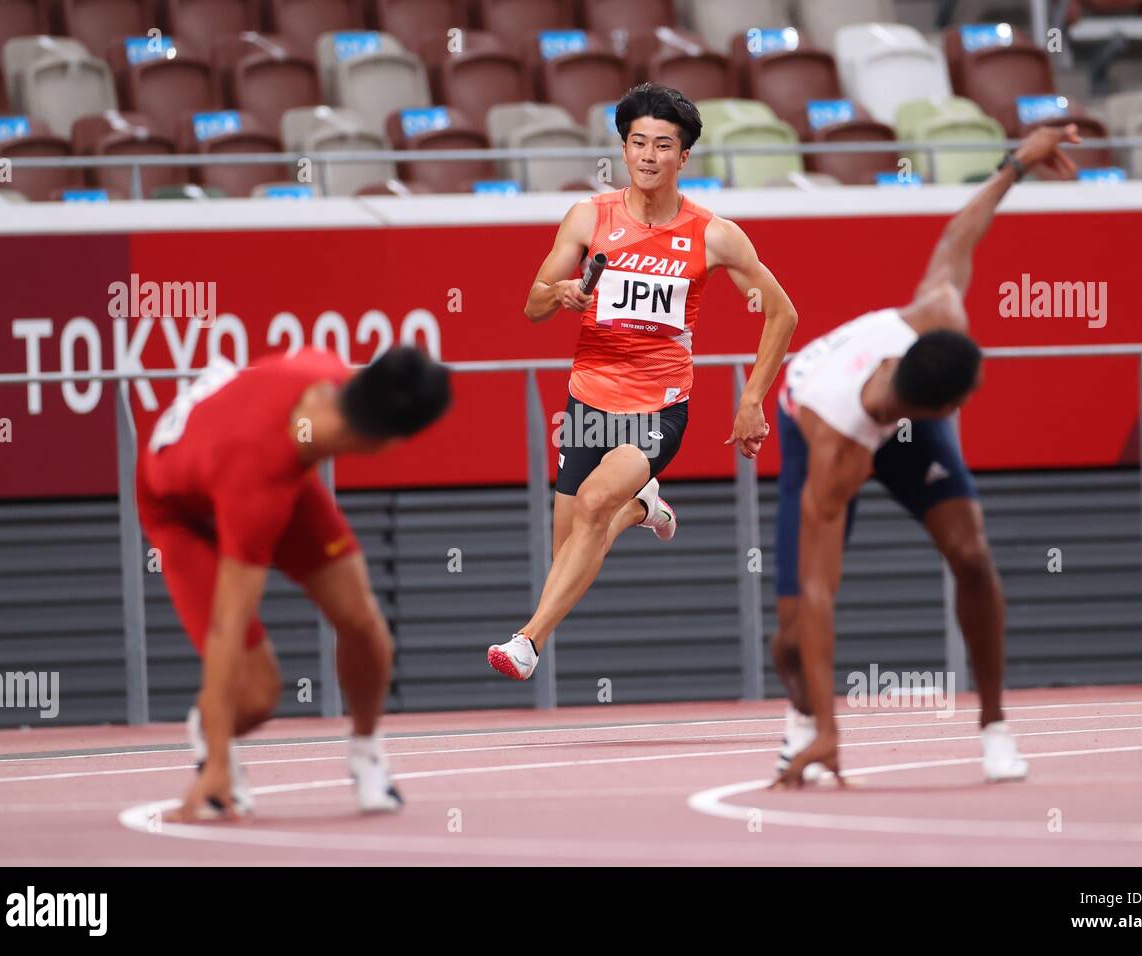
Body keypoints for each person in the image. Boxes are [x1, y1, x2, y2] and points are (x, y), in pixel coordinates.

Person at [773, 125, 1083, 788]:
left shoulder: (938, 315)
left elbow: (958, 236)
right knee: (793, 628)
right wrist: (833, 726)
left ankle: (995, 726)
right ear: (940, 411)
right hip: (818, 419)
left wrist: (1014, 165)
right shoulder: (836, 447)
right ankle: (805, 721)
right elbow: (822, 590)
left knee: (971, 554)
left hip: (892, 402)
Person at [487, 83, 799, 680]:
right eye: (637, 143)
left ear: (684, 158)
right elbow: (531, 306)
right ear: (623, 149)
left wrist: (752, 400)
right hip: (586, 400)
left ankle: (526, 642)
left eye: (663, 145)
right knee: (573, 549)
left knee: (597, 504)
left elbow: (782, 313)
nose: (648, 156)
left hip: (658, 407)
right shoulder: (588, 218)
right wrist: (563, 294)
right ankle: (645, 506)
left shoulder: (713, 235)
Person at [137, 346, 451, 819]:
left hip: (259, 466)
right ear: (383, 444)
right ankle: (210, 733)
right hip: (180, 510)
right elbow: (227, 625)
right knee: (258, 695)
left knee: (361, 620)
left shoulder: (324, 370)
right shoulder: (255, 482)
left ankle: (366, 752)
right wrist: (217, 765)